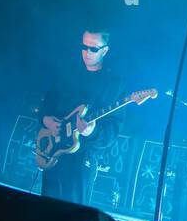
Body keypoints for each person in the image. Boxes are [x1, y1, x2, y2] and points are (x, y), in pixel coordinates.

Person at [37, 28, 125, 206]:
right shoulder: (67, 73)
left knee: (74, 212)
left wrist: (91, 132)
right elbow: (47, 103)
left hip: (82, 157)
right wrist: (46, 119)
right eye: (84, 47)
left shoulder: (113, 85)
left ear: (105, 50)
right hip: (54, 150)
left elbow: (112, 132)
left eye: (93, 49)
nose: (87, 53)